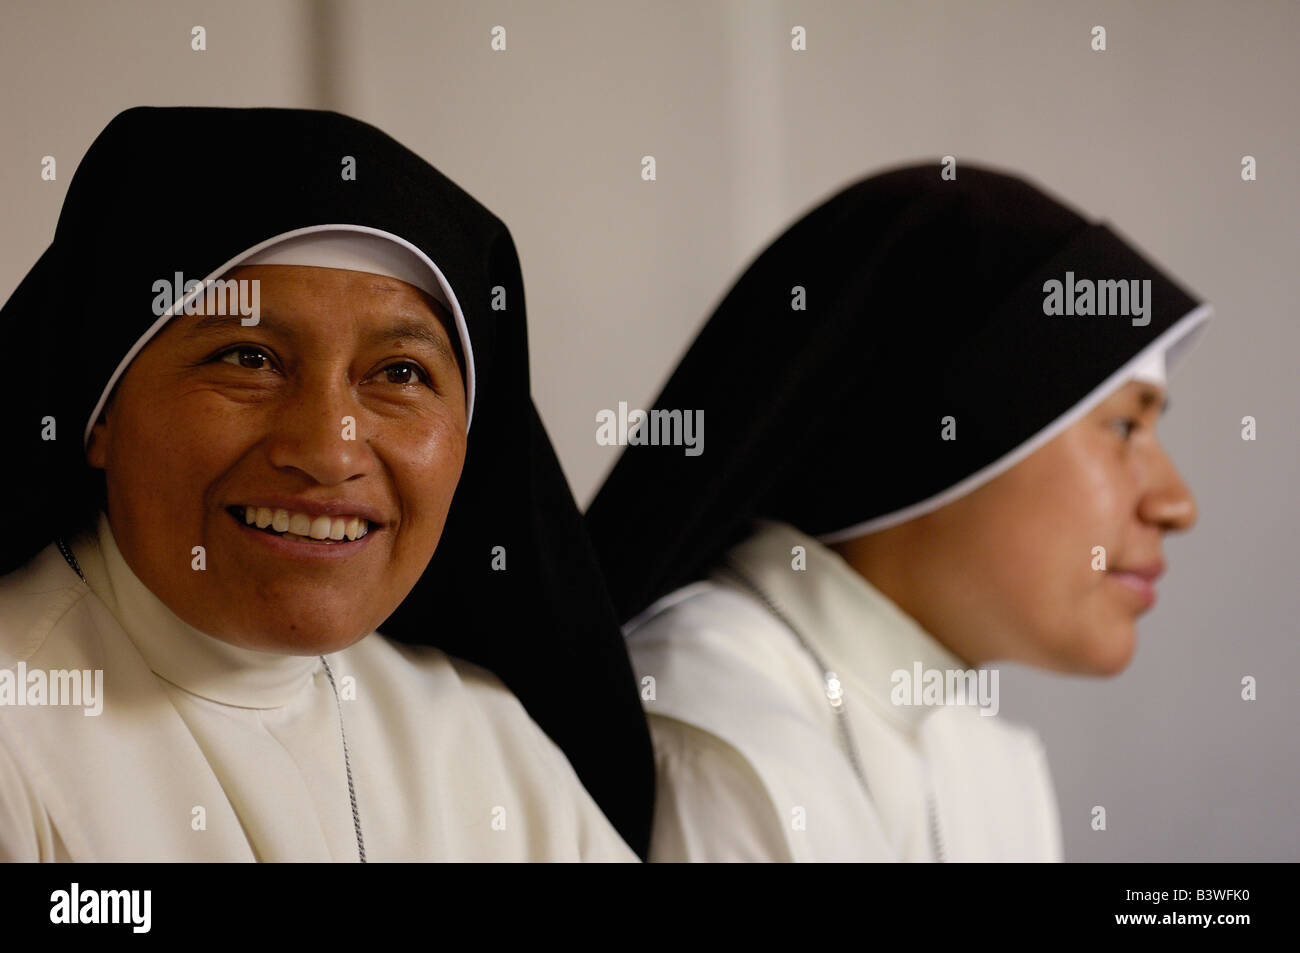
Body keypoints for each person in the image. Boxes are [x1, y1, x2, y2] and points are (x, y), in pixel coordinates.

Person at [0, 106, 652, 862]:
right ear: (99, 412)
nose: (327, 450)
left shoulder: (483, 738)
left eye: (400, 374)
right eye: (247, 358)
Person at [585, 164, 1212, 861]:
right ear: (944, 441)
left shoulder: (989, 761)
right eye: (1125, 426)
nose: (1176, 504)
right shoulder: (722, 754)